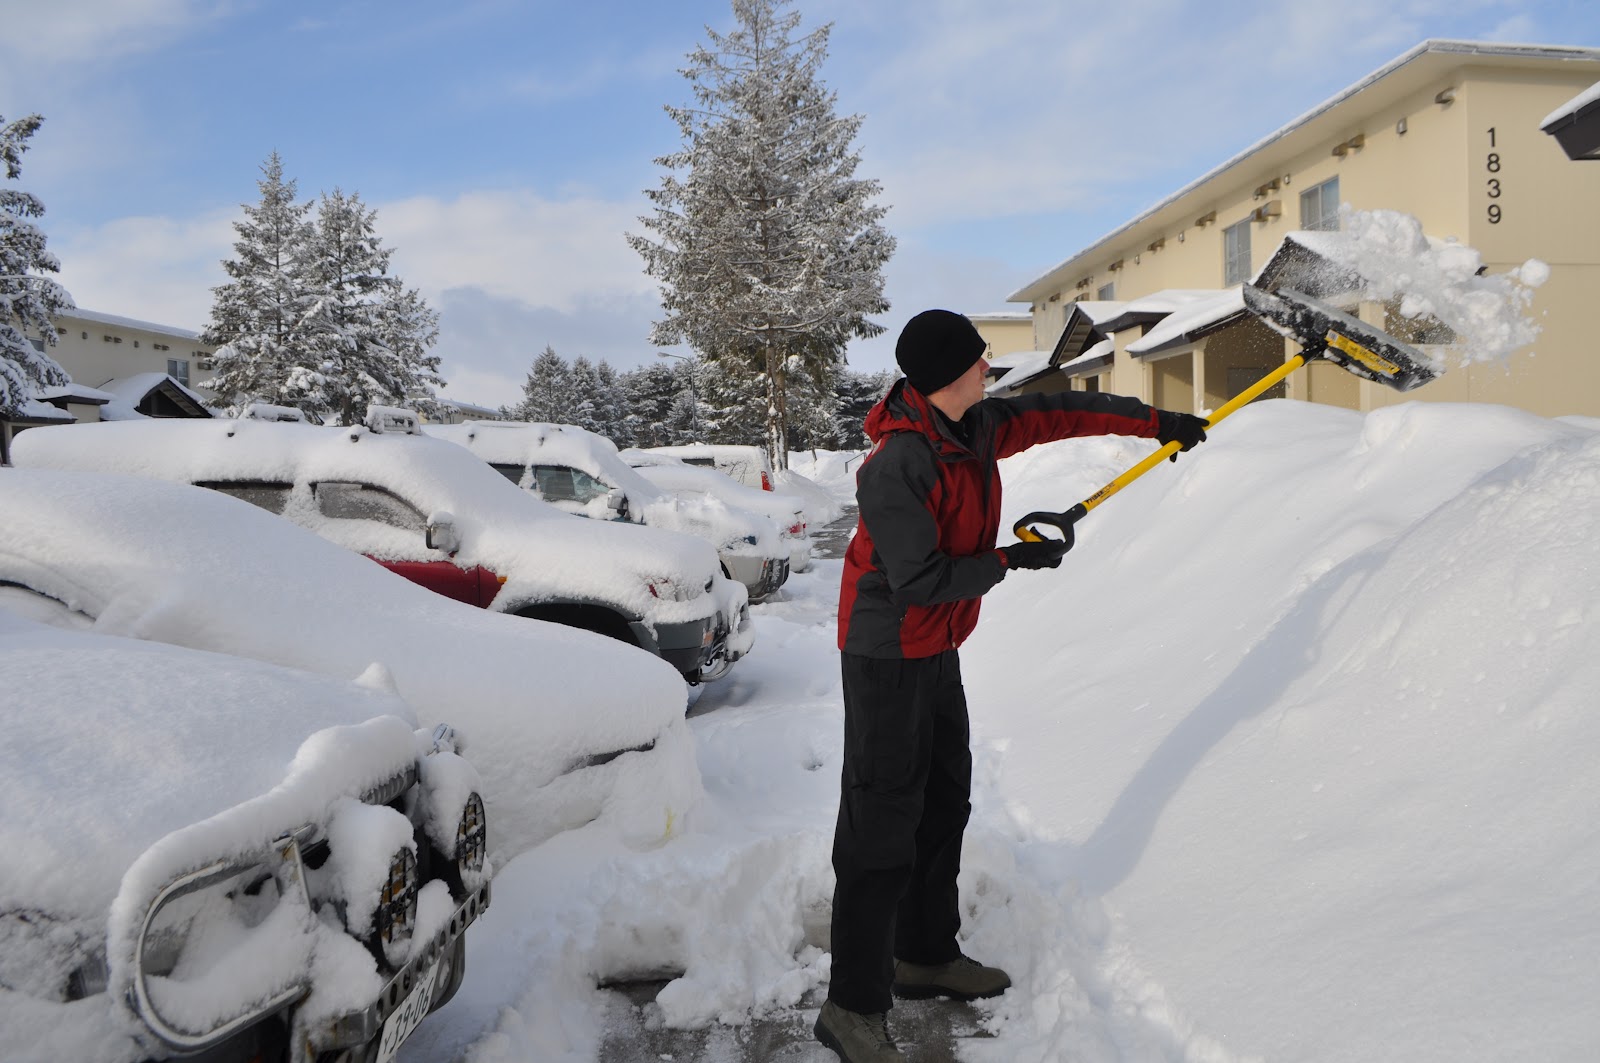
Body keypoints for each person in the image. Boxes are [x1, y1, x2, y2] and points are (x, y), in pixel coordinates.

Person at [814, 309, 1207, 1062]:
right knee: (880, 826)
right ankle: (851, 1006)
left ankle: (924, 953)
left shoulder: (976, 427)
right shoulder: (897, 465)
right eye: (978, 359)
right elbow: (919, 580)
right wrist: (1007, 561)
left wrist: (1158, 422)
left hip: (937, 646)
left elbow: (1062, 412)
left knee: (943, 801)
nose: (988, 366)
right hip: (887, 651)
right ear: (945, 375)